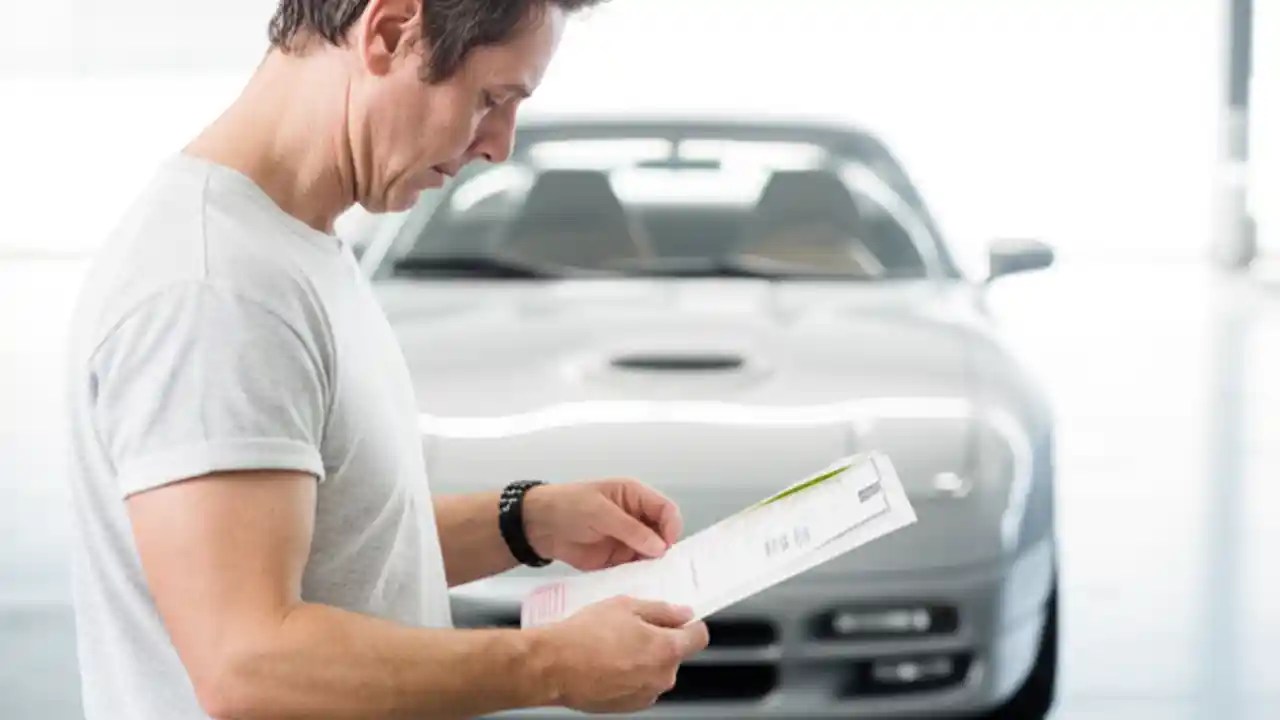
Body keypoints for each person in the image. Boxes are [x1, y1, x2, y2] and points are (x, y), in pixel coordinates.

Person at [64, 1, 709, 718]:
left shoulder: (289, 247)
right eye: (491, 99)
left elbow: (337, 541)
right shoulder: (215, 286)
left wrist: (526, 523)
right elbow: (249, 664)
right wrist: (552, 664)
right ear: (393, 31)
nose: (498, 145)